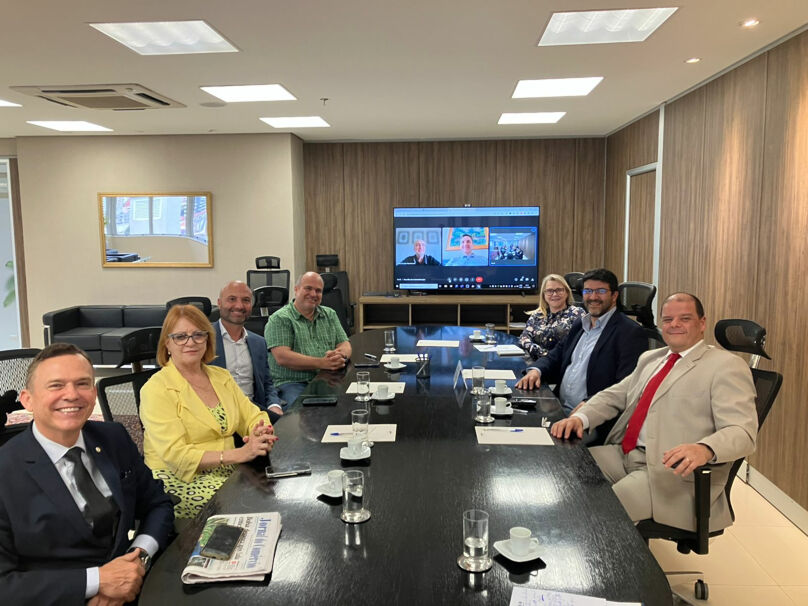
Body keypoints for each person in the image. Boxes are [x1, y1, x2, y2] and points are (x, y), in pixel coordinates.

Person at [551, 293, 758, 532]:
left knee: (601, 512)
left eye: (685, 318)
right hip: (624, 454)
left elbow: (742, 432)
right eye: (668, 319)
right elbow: (616, 394)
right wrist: (581, 418)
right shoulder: (652, 358)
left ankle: (605, 552)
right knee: (562, 473)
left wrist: (705, 448)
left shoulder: (726, 366)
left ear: (702, 323)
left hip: (669, 472)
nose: (674, 325)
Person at [0, 343, 174, 606]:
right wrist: (98, 581)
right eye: (56, 385)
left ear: (93, 393)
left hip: (136, 585)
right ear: (27, 400)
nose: (72, 395)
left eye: (82, 383)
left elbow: (158, 504)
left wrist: (138, 559)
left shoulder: (113, 437)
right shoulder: (6, 471)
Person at [140, 305, 277, 519]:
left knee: (273, 491)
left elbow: (253, 415)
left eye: (198, 335)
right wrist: (240, 454)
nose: (191, 342)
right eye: (180, 337)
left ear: (207, 339)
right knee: (244, 507)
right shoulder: (156, 389)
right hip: (177, 478)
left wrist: (260, 433)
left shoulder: (221, 376)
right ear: (167, 344)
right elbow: (177, 456)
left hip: (227, 468)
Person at [515, 268, 647, 419]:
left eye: (601, 291)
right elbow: (555, 356)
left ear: (614, 295)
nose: (593, 297)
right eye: (588, 291)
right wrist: (536, 371)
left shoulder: (630, 332)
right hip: (558, 406)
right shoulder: (580, 324)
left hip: (591, 417)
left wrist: (590, 405)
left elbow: (625, 385)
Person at [265, 271, 352, 405]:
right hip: (292, 383)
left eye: (318, 291)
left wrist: (340, 356)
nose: (313, 294)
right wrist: (322, 363)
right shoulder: (280, 319)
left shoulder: (329, 314)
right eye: (308, 288)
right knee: (302, 411)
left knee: (349, 403)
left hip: (326, 377)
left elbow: (344, 343)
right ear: (296, 289)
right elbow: (282, 357)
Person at [211, 280, 285, 422]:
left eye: (245, 300)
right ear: (219, 303)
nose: (239, 306)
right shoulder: (203, 340)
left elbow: (267, 383)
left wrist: (274, 405)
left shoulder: (259, 342)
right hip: (219, 416)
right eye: (232, 299)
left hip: (254, 413)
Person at [518, 274, 586, 360]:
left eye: (559, 290)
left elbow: (575, 346)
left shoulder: (577, 313)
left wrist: (545, 356)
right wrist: (542, 354)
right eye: (549, 291)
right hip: (536, 363)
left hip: (562, 364)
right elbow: (524, 339)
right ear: (544, 295)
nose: (554, 294)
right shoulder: (537, 315)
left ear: (567, 292)